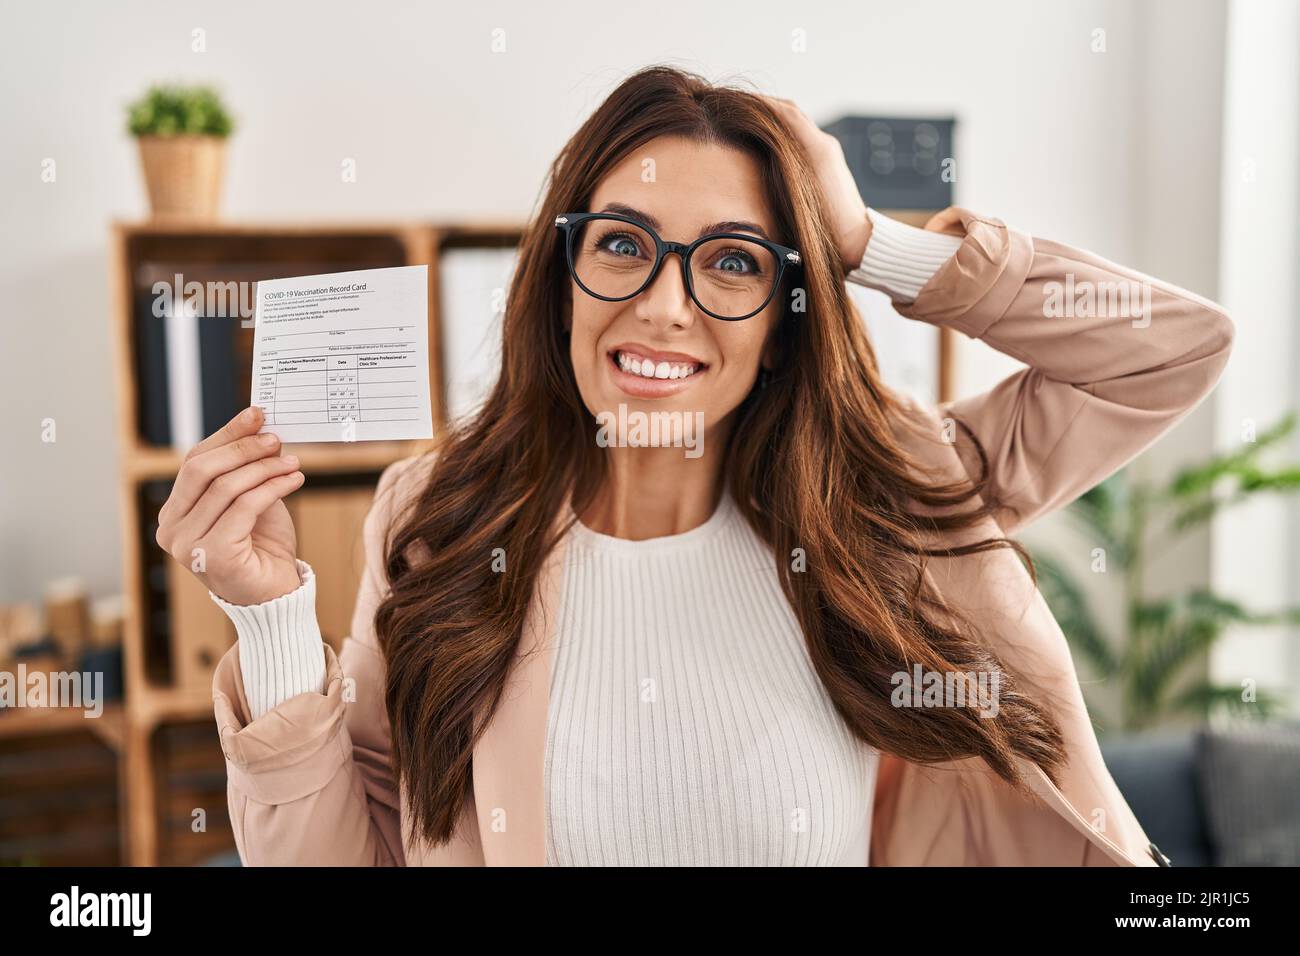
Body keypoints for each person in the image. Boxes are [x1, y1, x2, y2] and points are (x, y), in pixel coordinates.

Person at [155, 66, 1234, 866]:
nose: (664, 305)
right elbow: (358, 850)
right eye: (622, 242)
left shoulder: (893, 495)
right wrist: (268, 619)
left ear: (786, 316)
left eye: (733, 261)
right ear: (562, 273)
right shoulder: (439, 518)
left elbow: (1171, 352)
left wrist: (869, 242)